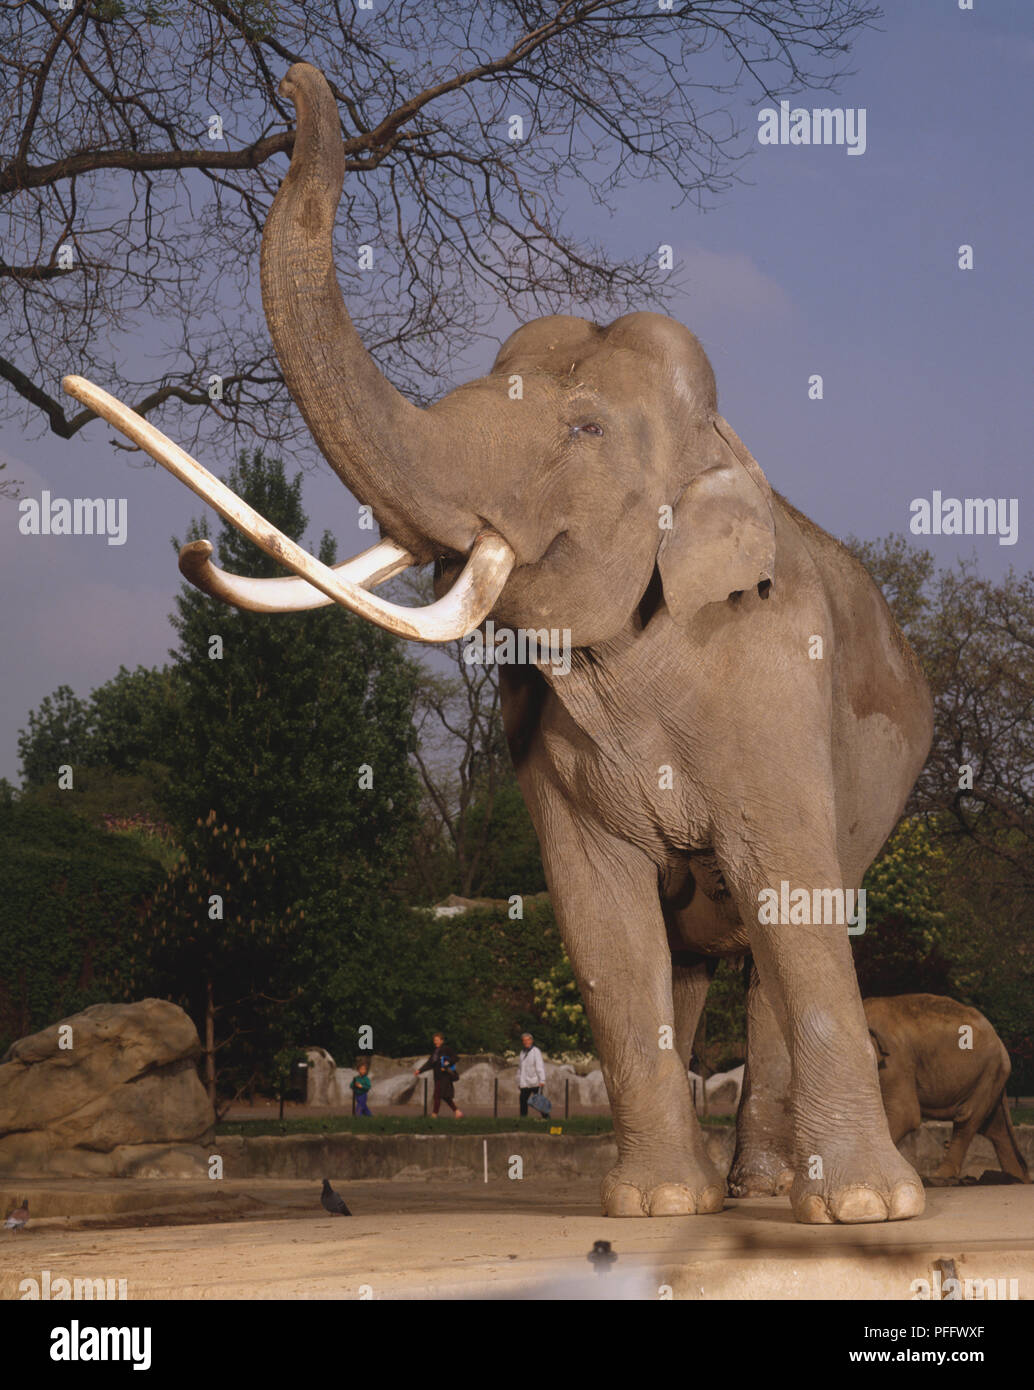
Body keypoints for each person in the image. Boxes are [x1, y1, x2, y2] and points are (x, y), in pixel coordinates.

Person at [414, 1032, 464, 1118]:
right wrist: (420, 1070)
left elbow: (455, 1058)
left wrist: (447, 1063)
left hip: (445, 1076)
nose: (435, 1042)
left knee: (437, 1095)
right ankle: (457, 1112)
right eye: (434, 1040)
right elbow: (430, 1063)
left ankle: (434, 1115)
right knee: (445, 1096)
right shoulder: (435, 1052)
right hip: (437, 1076)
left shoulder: (446, 1049)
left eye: (437, 1040)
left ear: (442, 1041)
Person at [516, 1031, 547, 1117]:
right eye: (524, 1040)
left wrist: (542, 1080)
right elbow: (520, 1068)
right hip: (525, 1083)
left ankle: (546, 1118)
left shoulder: (535, 1051)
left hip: (535, 1082)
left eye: (527, 1040)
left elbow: (539, 1066)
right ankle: (523, 1118)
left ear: (531, 1041)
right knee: (522, 1100)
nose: (526, 1042)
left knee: (539, 1101)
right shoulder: (522, 1052)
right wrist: (519, 1081)